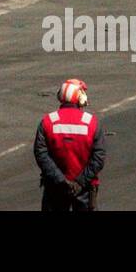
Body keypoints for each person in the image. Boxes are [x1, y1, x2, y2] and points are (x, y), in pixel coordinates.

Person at [33, 77, 106, 211]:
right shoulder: (92, 123)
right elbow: (98, 158)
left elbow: (41, 154)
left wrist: (61, 180)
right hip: (84, 189)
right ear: (80, 98)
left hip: (55, 187)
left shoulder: (48, 121)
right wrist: (79, 182)